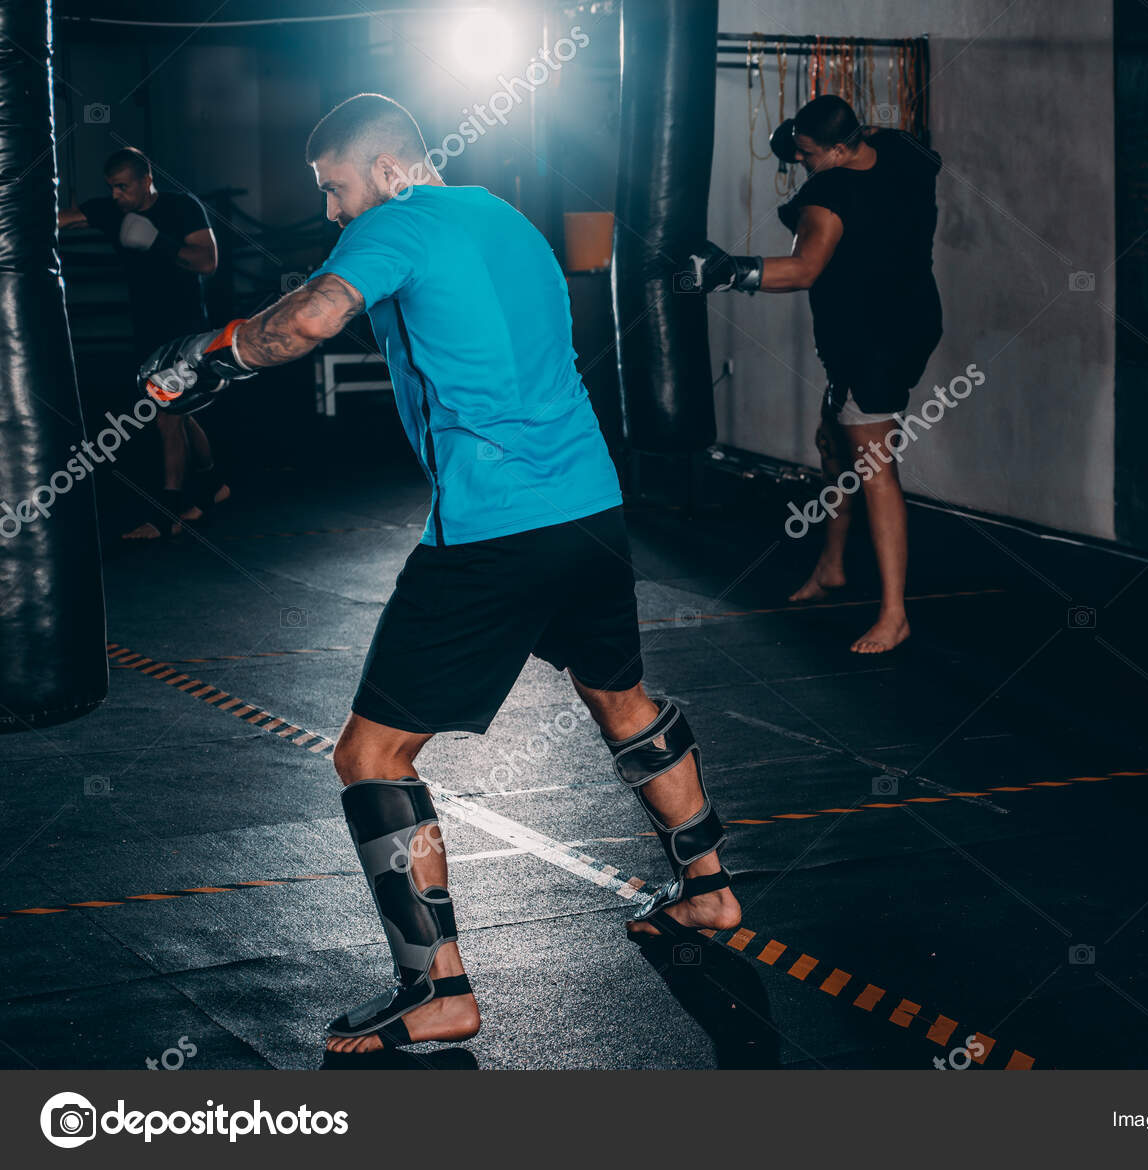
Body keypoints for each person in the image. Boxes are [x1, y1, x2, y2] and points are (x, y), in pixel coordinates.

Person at [137, 93, 740, 1052]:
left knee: (370, 757)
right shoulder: (505, 217)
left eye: (335, 187)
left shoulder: (396, 222)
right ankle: (708, 890)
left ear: (386, 170)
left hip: (493, 530)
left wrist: (213, 353)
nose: (332, 210)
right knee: (620, 700)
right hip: (589, 508)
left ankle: (437, 988)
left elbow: (312, 318)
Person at [687, 94, 942, 654]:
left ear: (838, 150)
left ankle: (894, 615)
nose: (799, 160)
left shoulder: (827, 197)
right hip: (914, 319)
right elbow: (912, 149)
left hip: (870, 344)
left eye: (805, 152)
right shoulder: (905, 153)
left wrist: (729, 272)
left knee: (875, 467)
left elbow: (803, 270)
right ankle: (831, 567)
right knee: (833, 443)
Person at [59, 147, 229, 539]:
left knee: (166, 415)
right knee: (179, 412)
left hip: (184, 331)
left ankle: (166, 515)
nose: (116, 195)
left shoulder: (182, 208)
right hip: (148, 328)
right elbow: (58, 220)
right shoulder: (111, 211)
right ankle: (213, 486)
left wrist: (157, 241)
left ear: (146, 180)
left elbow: (207, 262)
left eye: (123, 187)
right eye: (111, 187)